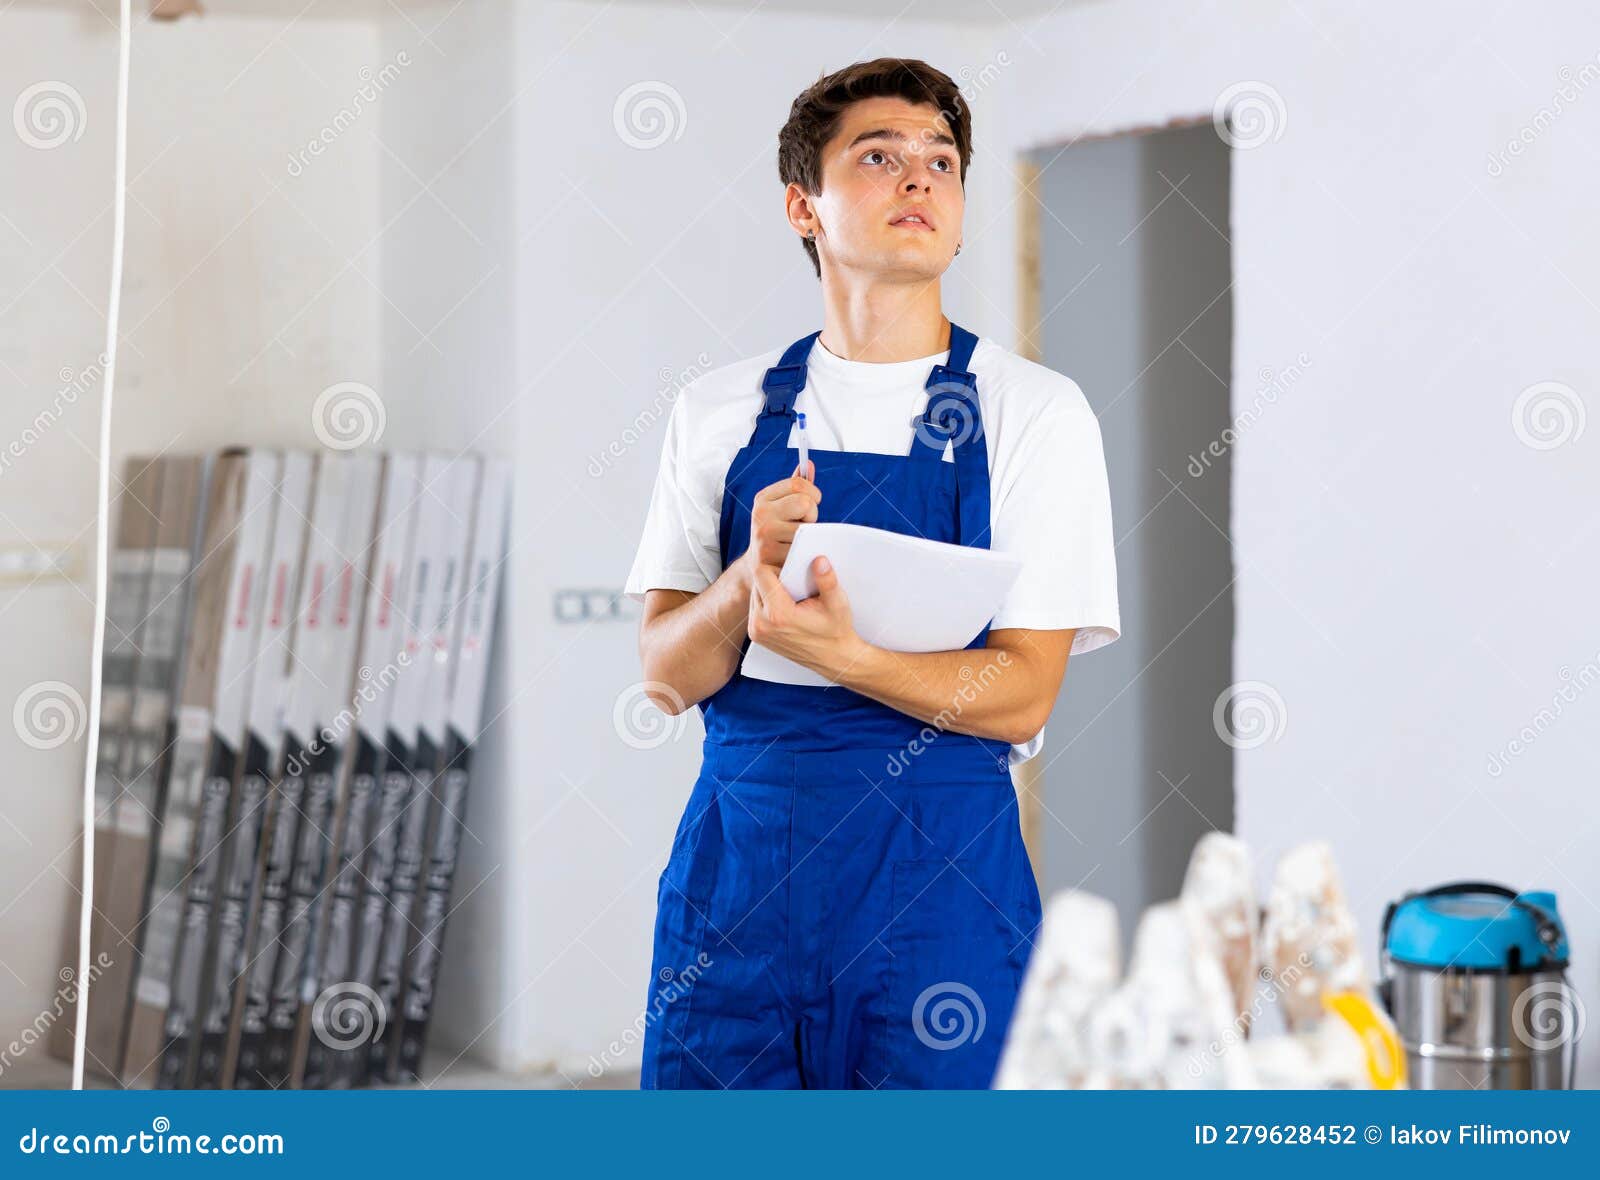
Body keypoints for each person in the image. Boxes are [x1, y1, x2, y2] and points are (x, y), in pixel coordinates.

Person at [623, 57, 1120, 1089]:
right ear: (802, 206)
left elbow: (1023, 690)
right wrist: (748, 577)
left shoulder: (1033, 413)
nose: (920, 178)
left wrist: (845, 657)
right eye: (879, 157)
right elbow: (665, 677)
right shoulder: (719, 411)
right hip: (736, 898)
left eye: (942, 161)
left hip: (939, 898)